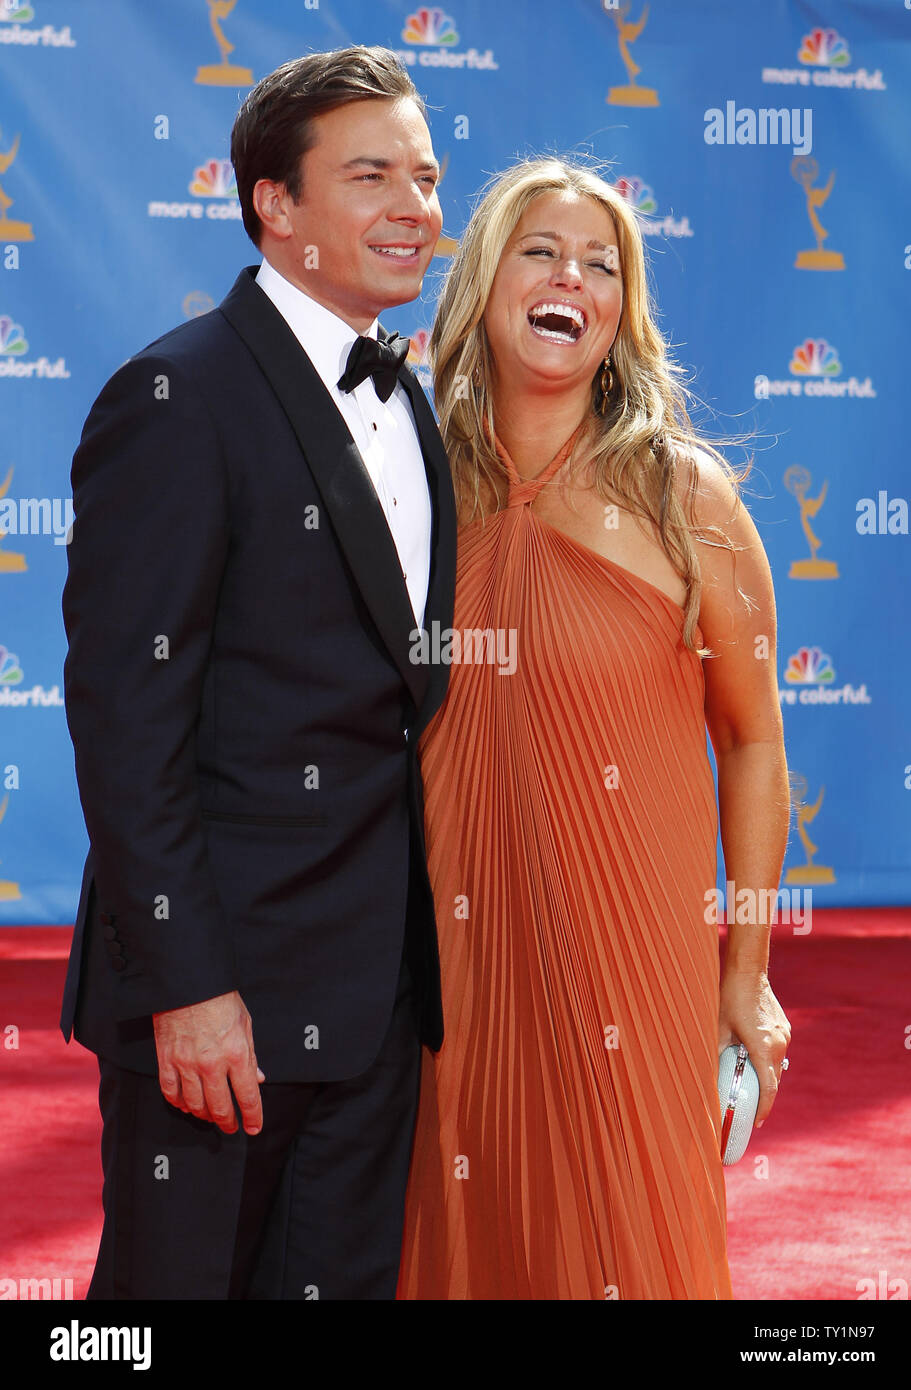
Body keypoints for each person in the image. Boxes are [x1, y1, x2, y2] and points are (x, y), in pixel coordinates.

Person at [59, 46, 455, 1300]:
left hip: (378, 994)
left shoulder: (413, 399)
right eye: (372, 175)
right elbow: (128, 722)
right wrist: (190, 989)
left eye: (429, 176)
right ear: (274, 205)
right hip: (218, 999)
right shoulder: (179, 395)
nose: (416, 207)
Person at [396, 157, 792, 1299]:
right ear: (482, 283)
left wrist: (747, 970)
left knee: (629, 1244)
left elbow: (753, 740)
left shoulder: (686, 499)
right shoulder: (409, 484)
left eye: (600, 262)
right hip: (446, 962)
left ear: (621, 312)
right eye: (540, 252)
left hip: (631, 961)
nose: (571, 276)